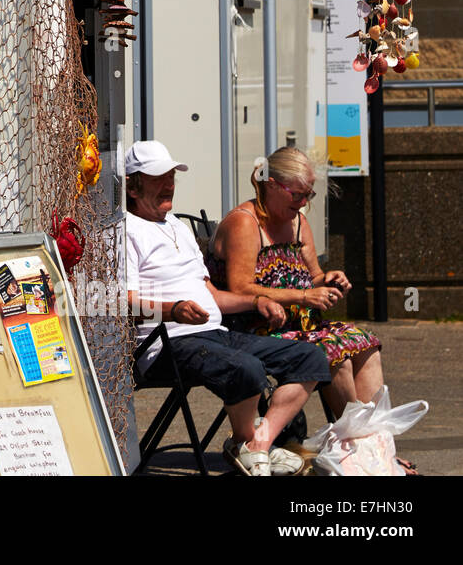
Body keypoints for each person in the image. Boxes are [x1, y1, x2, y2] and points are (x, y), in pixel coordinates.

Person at [125, 140, 331, 476]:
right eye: (157, 178)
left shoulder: (176, 225)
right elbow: (122, 302)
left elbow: (213, 295)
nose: (168, 184)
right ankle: (250, 445)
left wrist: (257, 300)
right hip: (168, 345)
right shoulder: (124, 230)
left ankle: (255, 446)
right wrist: (172, 309)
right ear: (133, 187)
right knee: (246, 368)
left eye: (171, 176)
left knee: (310, 357)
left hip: (215, 333)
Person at [208, 146, 417, 474]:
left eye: (309, 194)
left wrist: (328, 279)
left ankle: (375, 446)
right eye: (297, 193)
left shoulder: (298, 222)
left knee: (365, 343)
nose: (303, 202)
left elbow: (313, 275)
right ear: (272, 184)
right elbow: (239, 288)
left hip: (301, 325)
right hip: (256, 328)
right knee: (337, 356)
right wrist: (304, 296)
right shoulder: (244, 223)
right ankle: (357, 452)